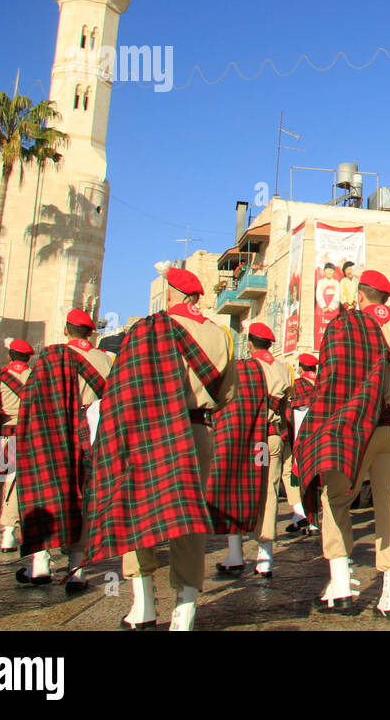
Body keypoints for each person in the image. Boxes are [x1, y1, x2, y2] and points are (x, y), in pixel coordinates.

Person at [84, 266, 237, 631]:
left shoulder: (146, 331)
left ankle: (144, 607)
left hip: (149, 430)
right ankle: (184, 613)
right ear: (197, 298)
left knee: (136, 506)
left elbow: (123, 388)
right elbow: (227, 395)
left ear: (170, 295)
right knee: (189, 517)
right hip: (198, 430)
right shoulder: (223, 336)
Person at [310, 269, 390, 619]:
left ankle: (341, 581)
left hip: (355, 426)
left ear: (360, 296)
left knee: (337, 497)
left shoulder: (345, 326)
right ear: (386, 300)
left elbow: (330, 378)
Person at [14, 310, 112, 591]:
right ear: (91, 333)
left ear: (66, 329)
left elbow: (35, 400)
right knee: (86, 498)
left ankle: (41, 564)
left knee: (47, 491)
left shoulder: (50, 356)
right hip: (93, 435)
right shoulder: (104, 358)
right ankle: (77, 569)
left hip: (55, 433)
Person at [211, 322, 292, 579]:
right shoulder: (284, 370)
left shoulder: (242, 369)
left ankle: (235, 555)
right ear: (271, 344)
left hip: (244, 436)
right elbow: (285, 407)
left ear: (249, 343)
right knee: (268, 491)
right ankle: (265, 557)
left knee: (236, 486)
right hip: (270, 437)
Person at [0, 338, 35, 553]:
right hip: (31, 435)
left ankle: (7, 533)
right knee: (26, 483)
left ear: (10, 356)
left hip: (5, 435)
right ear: (29, 358)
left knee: (6, 481)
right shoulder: (36, 377)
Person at [283, 353, 319, 535]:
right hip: (319, 438)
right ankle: (309, 519)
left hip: (299, 437)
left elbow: (290, 411)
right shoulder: (321, 384)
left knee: (292, 474)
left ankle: (301, 513)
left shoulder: (297, 385)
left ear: (301, 368)